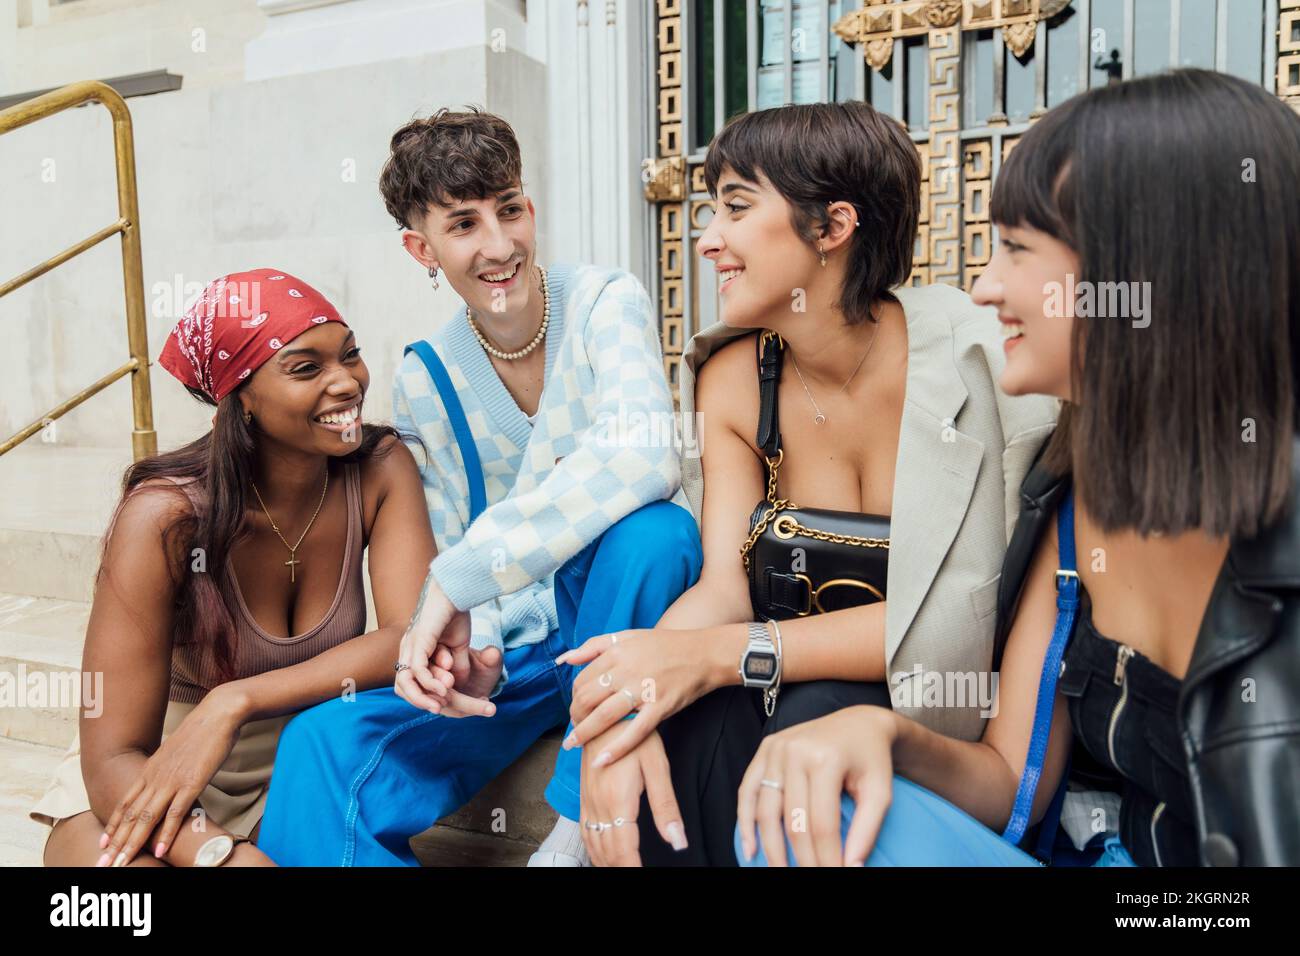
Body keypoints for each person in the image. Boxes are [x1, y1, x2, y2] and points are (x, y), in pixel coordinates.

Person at [736, 68, 1300, 868]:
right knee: (799, 810)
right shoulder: (1072, 496)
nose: (984, 286)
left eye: (1017, 250)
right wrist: (884, 733)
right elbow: (1015, 779)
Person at [558, 100, 1059, 866]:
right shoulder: (733, 378)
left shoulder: (990, 370)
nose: (707, 240)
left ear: (832, 228)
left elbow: (946, 628)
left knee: (806, 717)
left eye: (734, 206)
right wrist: (627, 700)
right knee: (678, 728)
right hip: (772, 670)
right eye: (707, 209)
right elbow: (727, 585)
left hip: (932, 709)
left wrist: (723, 656)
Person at [255, 108, 701, 867]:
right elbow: (455, 533)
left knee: (653, 531)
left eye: (511, 209)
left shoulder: (604, 302)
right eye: (464, 224)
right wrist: (481, 645)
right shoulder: (427, 371)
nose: (499, 246)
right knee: (322, 742)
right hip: (522, 655)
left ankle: (574, 819)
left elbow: (645, 458)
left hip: (629, 620)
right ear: (420, 248)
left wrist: (460, 583)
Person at [30, 268, 435, 867]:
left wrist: (235, 700)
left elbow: (411, 634)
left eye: (349, 356)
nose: (347, 382)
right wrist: (221, 854)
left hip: (303, 764)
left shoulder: (379, 467)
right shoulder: (165, 517)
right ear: (240, 396)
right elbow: (114, 757)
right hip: (157, 769)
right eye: (306, 368)